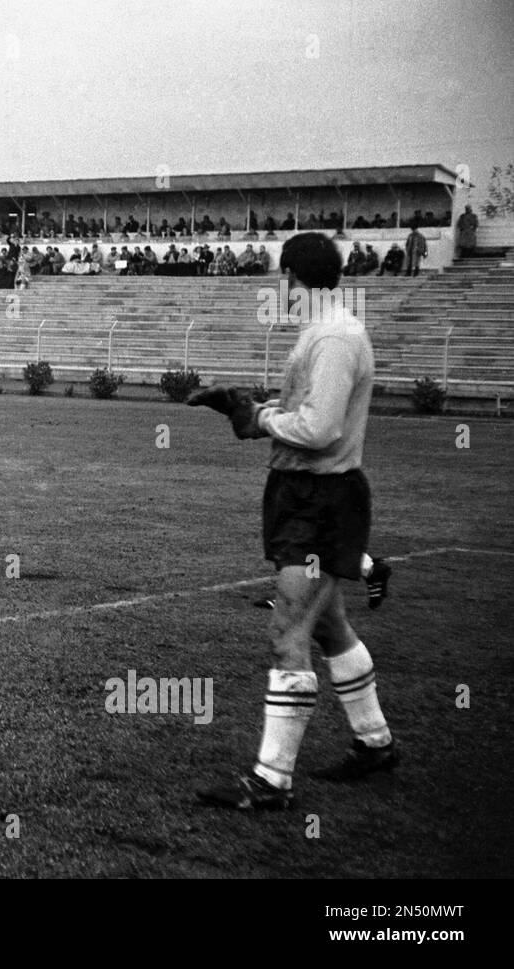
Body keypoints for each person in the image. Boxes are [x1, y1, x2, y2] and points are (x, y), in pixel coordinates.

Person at [190, 232, 398, 811]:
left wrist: (254, 416)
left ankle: (272, 779)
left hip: (320, 497)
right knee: (328, 624)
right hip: (309, 494)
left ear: (292, 279)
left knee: (288, 632)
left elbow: (321, 428)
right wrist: (254, 409)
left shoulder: (333, 337)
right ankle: (375, 743)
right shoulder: (329, 329)